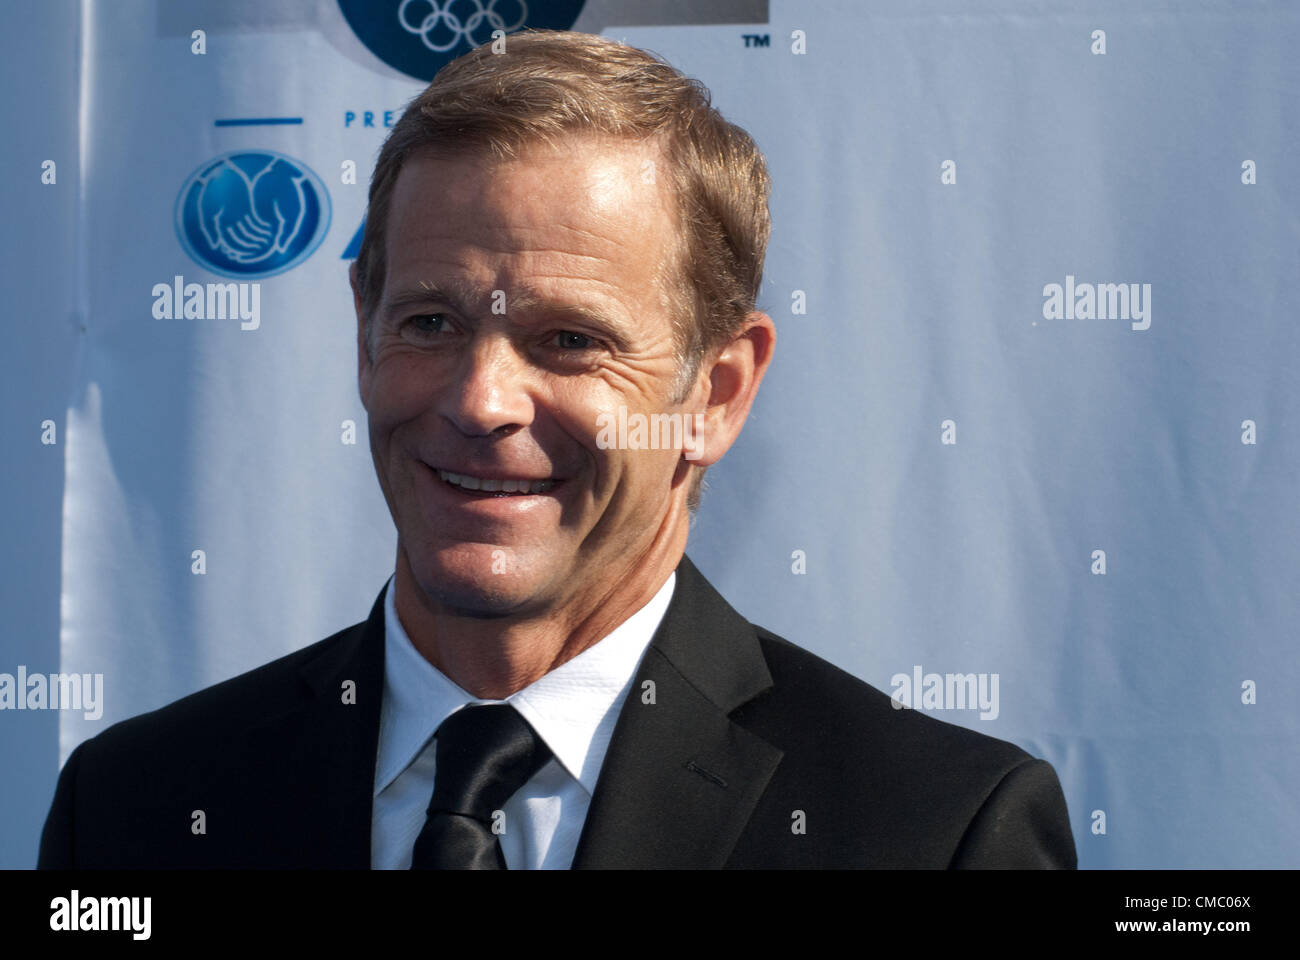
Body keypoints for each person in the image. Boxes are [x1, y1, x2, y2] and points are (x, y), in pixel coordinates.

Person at [38, 30, 1076, 869]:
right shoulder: (139, 805)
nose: (481, 401)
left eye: (569, 341)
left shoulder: (935, 831)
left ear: (716, 392)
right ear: (363, 333)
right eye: (431, 323)